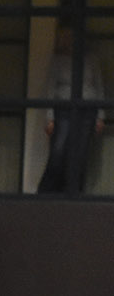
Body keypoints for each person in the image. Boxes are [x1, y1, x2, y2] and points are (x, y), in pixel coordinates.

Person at [38, 25, 106, 195]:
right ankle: (48, 191)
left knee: (80, 153)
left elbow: (99, 87)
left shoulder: (91, 60)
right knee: (58, 151)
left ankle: (75, 192)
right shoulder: (58, 60)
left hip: (87, 110)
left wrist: (100, 116)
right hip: (64, 109)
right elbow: (50, 89)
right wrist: (49, 118)